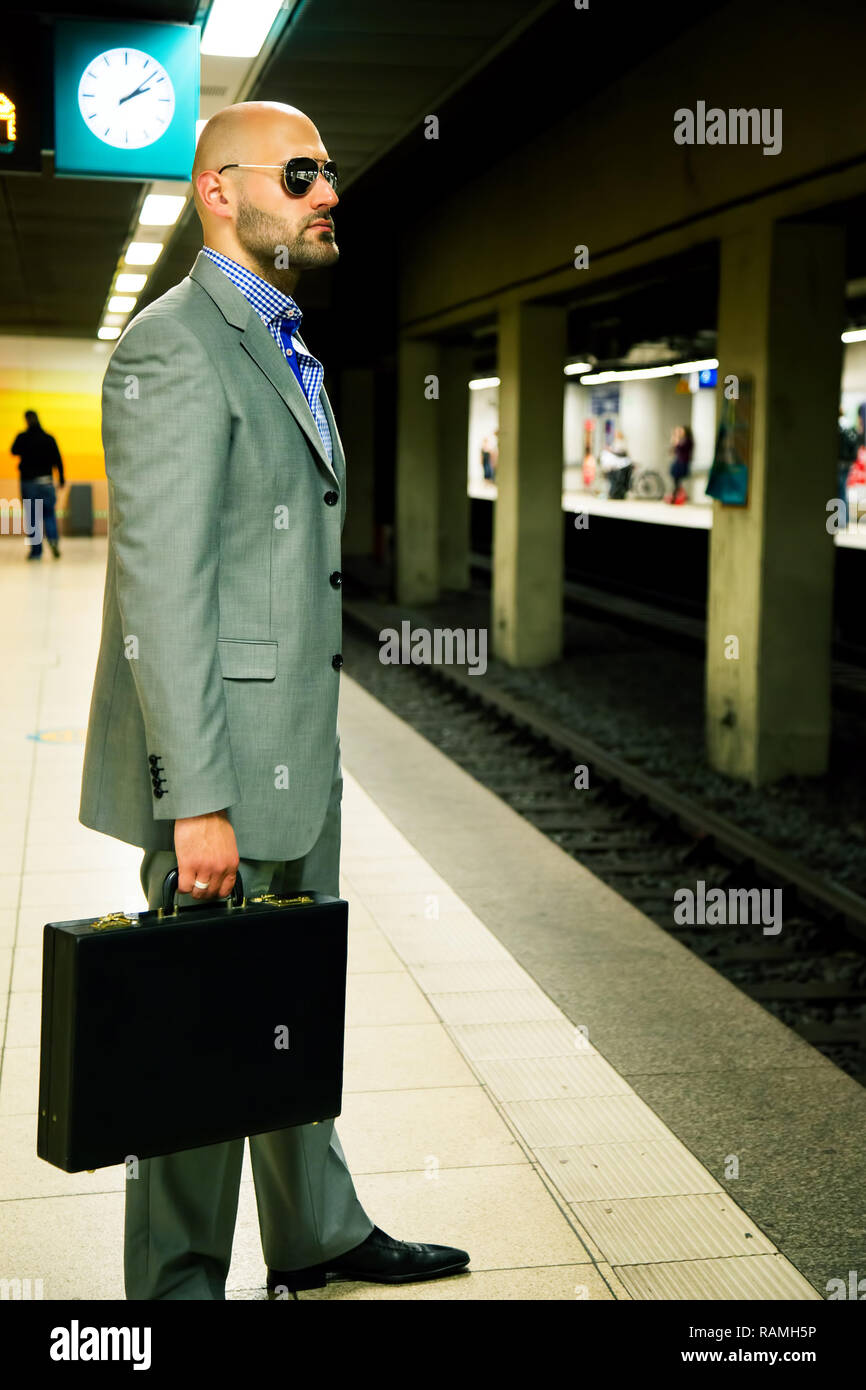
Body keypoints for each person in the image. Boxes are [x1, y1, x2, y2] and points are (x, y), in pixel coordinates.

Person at [78, 101, 470, 1301]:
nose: (327, 191)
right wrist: (194, 798)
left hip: (293, 752)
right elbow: (164, 590)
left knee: (288, 1000)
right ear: (218, 192)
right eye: (299, 173)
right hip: (222, 769)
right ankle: (180, 1281)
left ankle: (314, 1234)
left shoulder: (279, 337)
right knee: (199, 1025)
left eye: (330, 171)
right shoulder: (174, 346)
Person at [10, 410, 64, 559]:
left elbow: (13, 451)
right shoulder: (48, 438)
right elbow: (58, 459)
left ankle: (36, 551)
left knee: (33, 517)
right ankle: (53, 541)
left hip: (29, 482)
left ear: (26, 420)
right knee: (49, 514)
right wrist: (61, 478)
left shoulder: (23, 437)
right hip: (46, 481)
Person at [837, 406, 861, 530]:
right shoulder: (849, 425)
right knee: (843, 490)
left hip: (839, 462)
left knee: (839, 491)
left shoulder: (838, 426)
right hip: (848, 463)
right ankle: (843, 520)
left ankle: (840, 520)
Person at [599, 430, 633, 499]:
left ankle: (617, 494)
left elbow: (622, 454)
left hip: (622, 466)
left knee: (618, 481)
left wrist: (611, 451)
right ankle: (613, 493)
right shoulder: (615, 443)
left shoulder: (622, 444)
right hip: (615, 466)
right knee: (612, 479)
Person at [667, 424, 693, 504]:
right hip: (679, 462)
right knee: (676, 481)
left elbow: (680, 447)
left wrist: (676, 441)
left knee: (677, 481)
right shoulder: (682, 440)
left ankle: (676, 497)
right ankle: (677, 496)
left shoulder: (687, 441)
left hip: (682, 463)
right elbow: (673, 450)